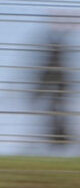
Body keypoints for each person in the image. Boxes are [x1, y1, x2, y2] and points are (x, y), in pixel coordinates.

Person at [30, 15, 72, 148]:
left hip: (57, 91)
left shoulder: (55, 59)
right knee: (54, 112)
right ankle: (58, 138)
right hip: (57, 91)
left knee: (54, 112)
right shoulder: (57, 59)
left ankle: (58, 138)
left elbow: (47, 77)